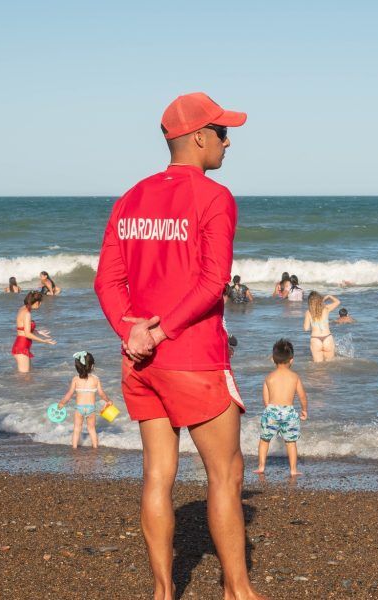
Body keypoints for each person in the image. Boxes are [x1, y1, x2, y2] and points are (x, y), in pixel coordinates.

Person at [92, 92, 264, 600]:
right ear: (197, 138)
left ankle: (163, 592)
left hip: (139, 360)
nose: (228, 143)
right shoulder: (214, 196)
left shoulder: (130, 198)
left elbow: (107, 281)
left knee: (157, 475)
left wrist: (133, 333)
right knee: (226, 472)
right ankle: (237, 590)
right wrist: (162, 332)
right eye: (222, 132)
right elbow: (213, 283)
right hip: (191, 358)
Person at [254, 339, 308, 476]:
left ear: (273, 359)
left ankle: (261, 467)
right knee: (291, 442)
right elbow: (302, 396)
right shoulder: (295, 377)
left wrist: (270, 411)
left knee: (264, 440)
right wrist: (304, 410)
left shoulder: (269, 377)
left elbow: (266, 400)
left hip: (272, 410)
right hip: (289, 411)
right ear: (292, 360)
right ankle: (293, 470)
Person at [57, 351, 115, 449]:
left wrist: (62, 403)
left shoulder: (75, 379)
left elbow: (70, 394)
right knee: (92, 429)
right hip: (91, 409)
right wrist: (108, 401)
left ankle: (74, 448)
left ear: (77, 366)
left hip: (79, 408)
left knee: (76, 429)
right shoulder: (96, 379)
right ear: (92, 366)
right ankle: (95, 447)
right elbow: (101, 394)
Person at [12, 291, 55, 373]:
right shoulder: (27, 313)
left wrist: (38, 332)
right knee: (24, 377)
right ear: (36, 302)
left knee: (28, 375)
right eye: (40, 302)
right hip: (22, 347)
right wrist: (44, 341)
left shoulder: (23, 308)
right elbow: (27, 334)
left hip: (22, 346)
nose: (40, 304)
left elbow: (23, 328)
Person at [303, 291, 341, 362]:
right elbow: (338, 302)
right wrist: (329, 296)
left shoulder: (308, 312)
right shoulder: (326, 308)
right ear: (320, 299)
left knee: (318, 367)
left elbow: (306, 328)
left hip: (315, 339)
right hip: (327, 338)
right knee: (330, 364)